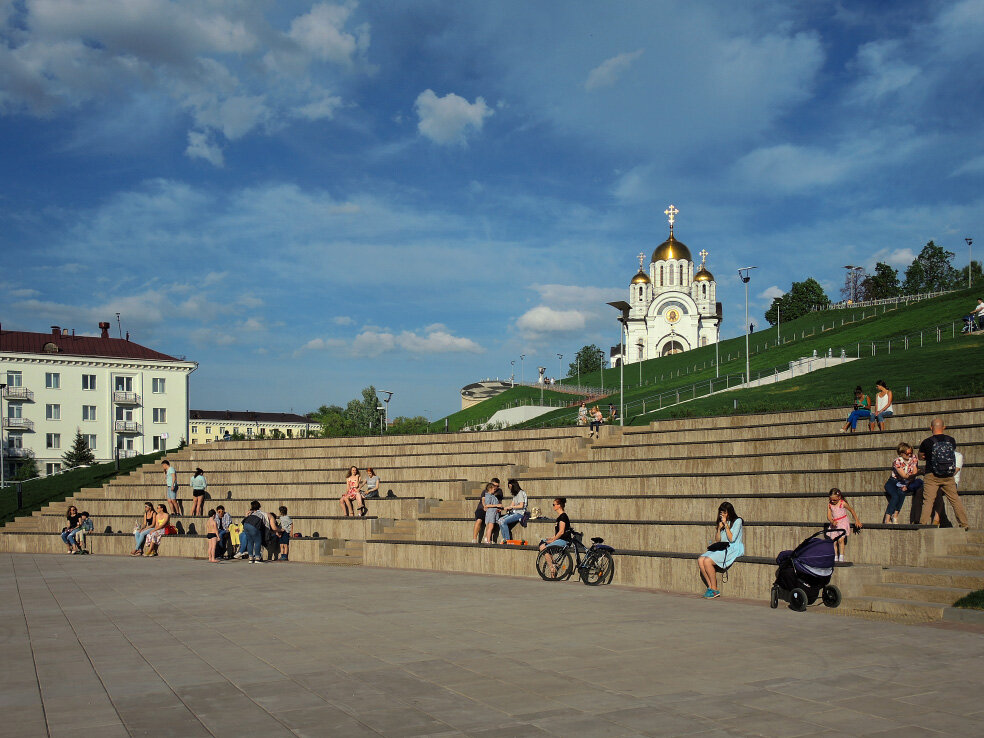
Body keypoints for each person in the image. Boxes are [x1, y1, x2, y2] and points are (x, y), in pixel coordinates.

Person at [917, 418, 969, 529]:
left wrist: (924, 455)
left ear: (931, 428)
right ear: (943, 427)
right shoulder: (951, 440)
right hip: (948, 475)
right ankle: (964, 524)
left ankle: (922, 524)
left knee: (928, 501)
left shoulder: (926, 442)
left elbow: (920, 456)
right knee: (955, 500)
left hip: (932, 475)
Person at [697, 502, 745, 598]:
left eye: (725, 513)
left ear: (730, 512)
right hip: (722, 546)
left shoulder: (737, 521)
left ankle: (714, 589)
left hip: (732, 547)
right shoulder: (722, 523)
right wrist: (719, 529)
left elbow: (732, 539)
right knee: (700, 559)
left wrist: (726, 526)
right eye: (721, 513)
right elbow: (718, 540)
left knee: (707, 561)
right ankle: (710, 587)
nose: (722, 515)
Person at [884, 443, 922, 524]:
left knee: (902, 492)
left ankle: (895, 516)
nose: (910, 455)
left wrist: (907, 485)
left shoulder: (914, 458)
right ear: (901, 453)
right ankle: (887, 518)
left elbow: (914, 473)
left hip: (907, 481)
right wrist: (916, 474)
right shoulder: (897, 461)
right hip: (893, 481)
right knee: (895, 495)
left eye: (911, 453)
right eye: (907, 453)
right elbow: (904, 475)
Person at [538, 498, 573, 576]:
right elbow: (557, 532)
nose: (553, 506)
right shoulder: (559, 517)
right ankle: (554, 565)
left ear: (559, 506)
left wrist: (553, 540)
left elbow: (561, 532)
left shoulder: (563, 516)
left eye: (554, 504)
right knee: (542, 543)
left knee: (543, 548)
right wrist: (551, 538)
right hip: (560, 539)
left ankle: (552, 568)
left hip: (564, 540)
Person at [826, 489, 861, 562]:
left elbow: (851, 510)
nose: (832, 501)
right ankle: (835, 556)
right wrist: (832, 521)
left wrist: (857, 520)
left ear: (839, 497)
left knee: (841, 540)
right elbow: (829, 516)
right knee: (834, 541)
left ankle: (841, 556)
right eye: (831, 500)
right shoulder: (830, 504)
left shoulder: (843, 503)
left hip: (843, 522)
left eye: (834, 500)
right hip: (834, 524)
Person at [497, 478, 528, 543]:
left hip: (520, 513)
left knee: (503, 521)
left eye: (510, 487)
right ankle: (504, 538)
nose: (510, 489)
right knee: (500, 520)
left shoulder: (520, 493)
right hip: (514, 512)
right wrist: (503, 509)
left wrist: (512, 507)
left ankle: (508, 540)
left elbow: (521, 505)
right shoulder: (515, 495)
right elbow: (511, 506)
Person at [472, 478, 500, 543]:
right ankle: (474, 538)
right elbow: (483, 500)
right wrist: (485, 506)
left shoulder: (498, 492)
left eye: (497, 486)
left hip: (491, 510)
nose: (496, 487)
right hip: (482, 509)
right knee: (479, 520)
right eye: (494, 486)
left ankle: (486, 538)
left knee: (490, 522)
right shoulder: (486, 491)